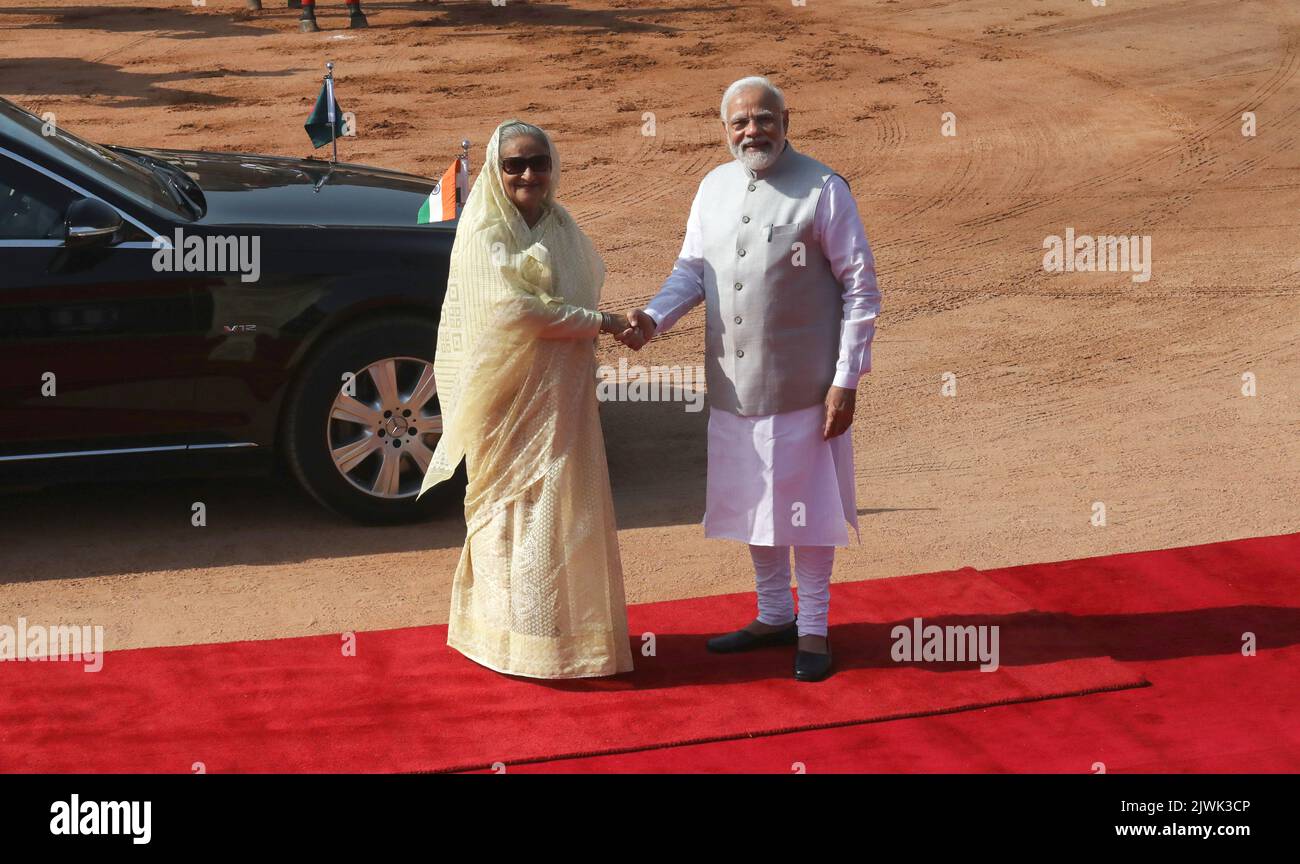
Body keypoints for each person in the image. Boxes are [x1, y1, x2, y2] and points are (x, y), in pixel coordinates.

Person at [618, 76, 881, 682]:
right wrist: (653, 319)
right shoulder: (711, 187)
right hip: (734, 389)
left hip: (805, 389)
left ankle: (813, 628)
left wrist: (847, 379)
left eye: (764, 119)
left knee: (808, 511)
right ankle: (772, 614)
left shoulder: (823, 189)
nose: (752, 131)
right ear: (724, 130)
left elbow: (861, 289)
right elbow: (691, 271)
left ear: (787, 119)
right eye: (739, 123)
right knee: (757, 506)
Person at [418, 119, 635, 679]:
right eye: (514, 164)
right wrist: (603, 323)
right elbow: (513, 310)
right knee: (508, 516)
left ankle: (559, 640)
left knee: (561, 511)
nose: (528, 174)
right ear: (495, 170)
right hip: (505, 401)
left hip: (563, 399)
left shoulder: (562, 225)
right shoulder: (485, 228)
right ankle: (508, 641)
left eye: (539, 162)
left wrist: (599, 328)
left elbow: (586, 276)